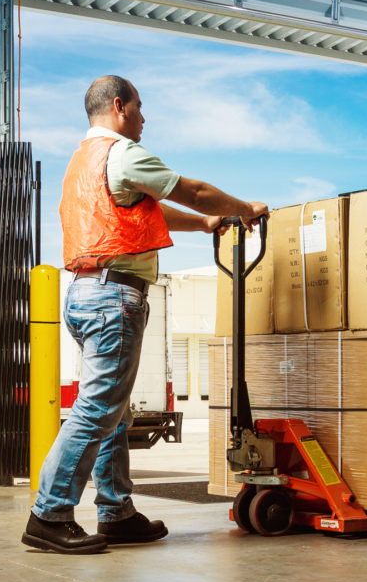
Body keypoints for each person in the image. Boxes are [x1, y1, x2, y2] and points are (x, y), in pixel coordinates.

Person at [22, 75, 269, 554]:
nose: (143, 118)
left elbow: (152, 210)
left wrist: (203, 225)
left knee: (112, 413)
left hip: (85, 292)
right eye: (139, 108)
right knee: (97, 411)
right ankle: (48, 514)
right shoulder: (123, 153)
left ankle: (116, 512)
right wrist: (243, 209)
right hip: (113, 298)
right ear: (119, 106)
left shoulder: (83, 163)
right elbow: (191, 190)